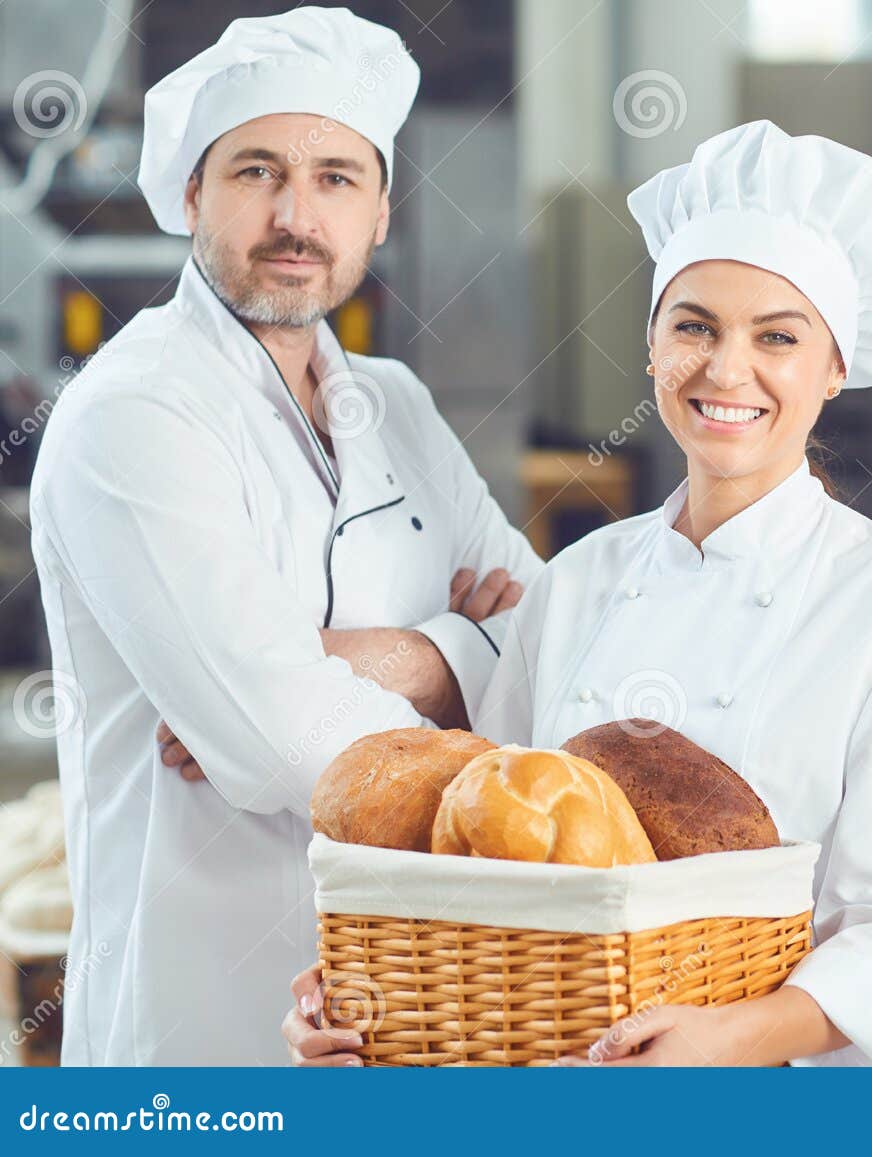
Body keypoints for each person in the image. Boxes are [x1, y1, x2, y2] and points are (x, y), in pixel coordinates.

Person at [282, 120, 872, 1068]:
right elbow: (476, 849)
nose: (725, 369)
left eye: (778, 337)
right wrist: (363, 990)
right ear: (652, 341)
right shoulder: (576, 583)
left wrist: (726, 1036)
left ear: (835, 368)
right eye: (695, 325)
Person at [30, 7, 541, 1065]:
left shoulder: (397, 405)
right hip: (200, 1032)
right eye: (257, 171)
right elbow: (282, 746)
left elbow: (550, 648)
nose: (296, 215)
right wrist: (459, 655)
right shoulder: (136, 412)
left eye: (337, 177)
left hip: (406, 1017)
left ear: (382, 212)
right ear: (188, 194)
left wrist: (366, 662)